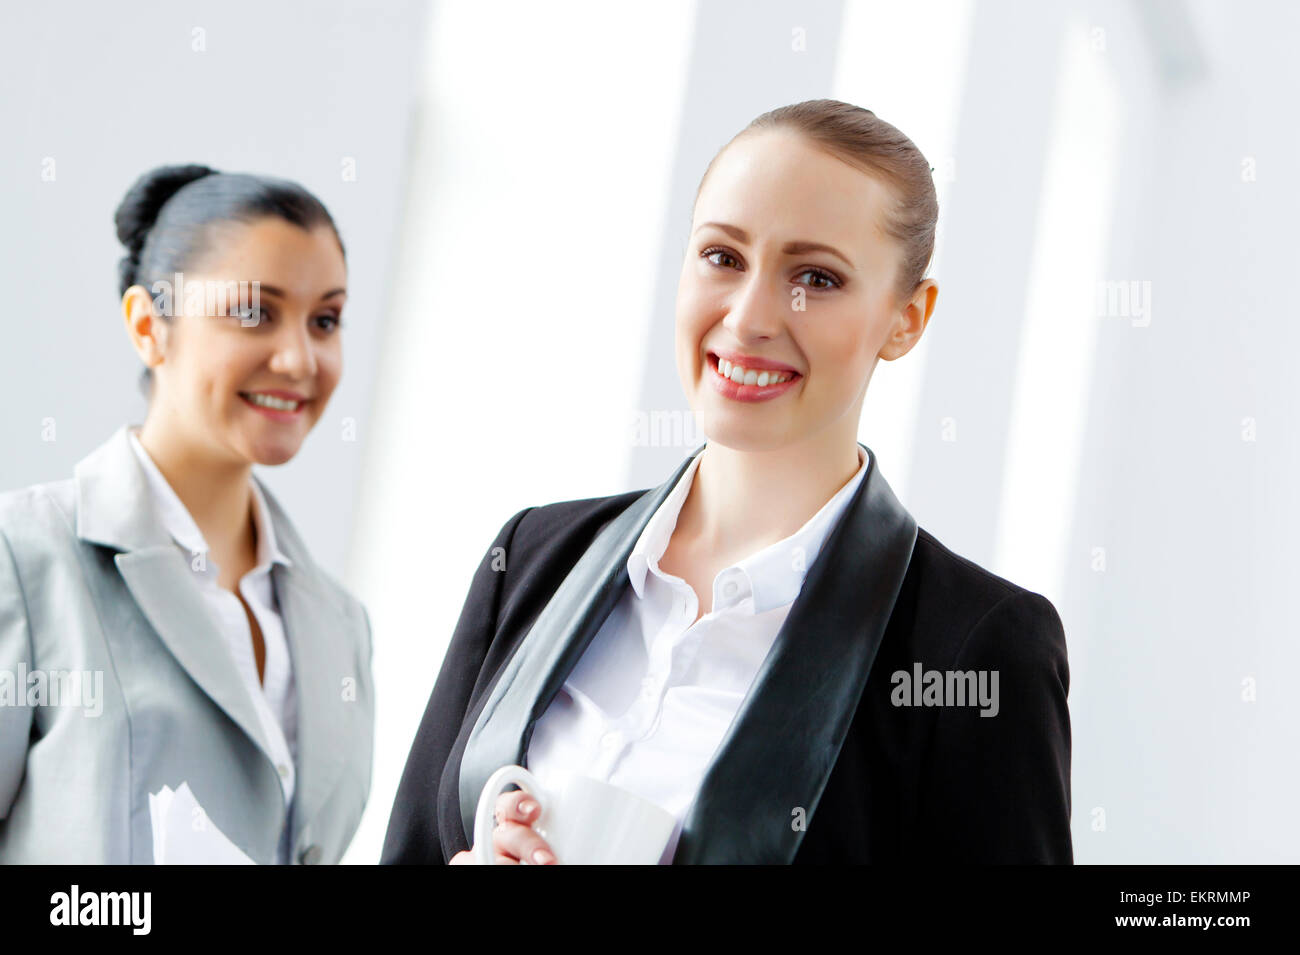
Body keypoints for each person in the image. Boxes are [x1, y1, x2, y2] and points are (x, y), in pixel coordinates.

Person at [381, 100, 1071, 865]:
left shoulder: (974, 646)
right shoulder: (534, 555)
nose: (749, 319)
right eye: (723, 257)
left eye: (817, 276)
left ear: (907, 318)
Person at [0, 165, 375, 864]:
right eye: (254, 312)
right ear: (149, 326)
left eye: (324, 319)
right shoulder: (23, 556)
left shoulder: (342, 626)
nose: (299, 358)